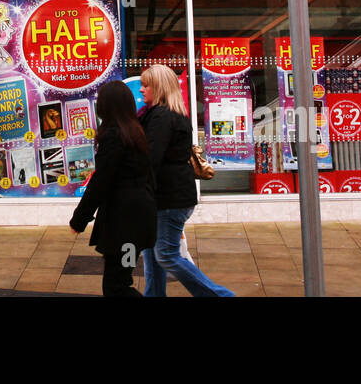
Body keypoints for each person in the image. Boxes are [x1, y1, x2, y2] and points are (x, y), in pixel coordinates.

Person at [139, 63, 236, 298]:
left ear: (159, 87)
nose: (141, 90)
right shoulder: (171, 114)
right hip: (167, 196)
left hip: (168, 198)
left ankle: (220, 295)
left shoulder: (161, 116)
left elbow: (151, 158)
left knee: (166, 255)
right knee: (152, 255)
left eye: (146, 85)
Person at [69, 80, 157, 296]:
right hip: (134, 220)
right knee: (120, 280)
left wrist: (79, 219)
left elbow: (101, 182)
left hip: (125, 224)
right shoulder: (134, 133)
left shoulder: (115, 137)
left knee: (117, 285)